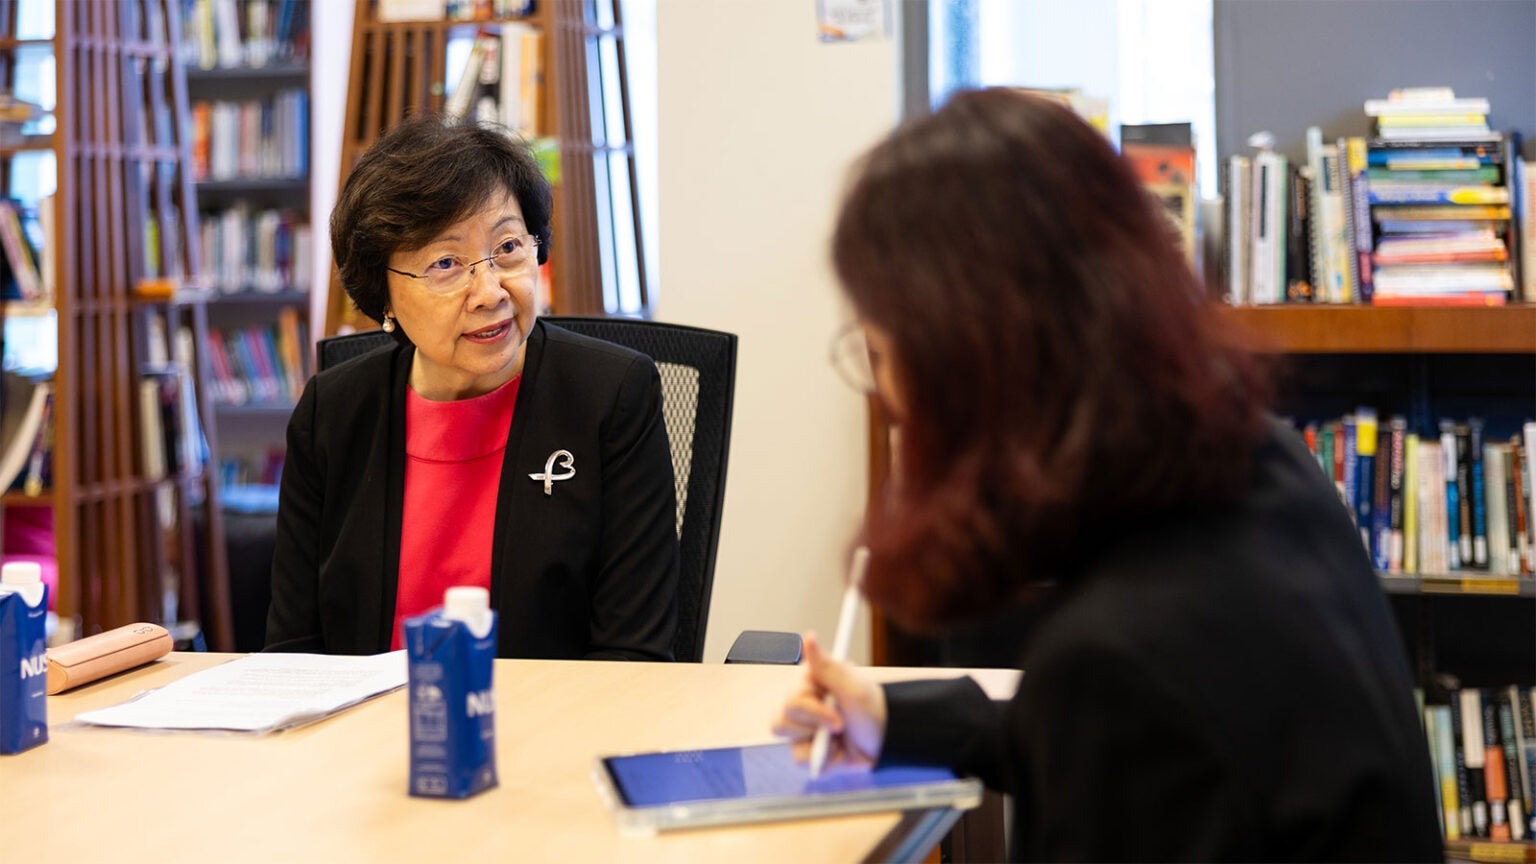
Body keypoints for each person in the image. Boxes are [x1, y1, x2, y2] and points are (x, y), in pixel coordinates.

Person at [773, 89, 1442, 861]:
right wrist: (892, 718)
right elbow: (1108, 735)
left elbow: (1120, 720)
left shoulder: (1119, 660)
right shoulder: (1261, 467)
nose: (886, 398)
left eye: (881, 355)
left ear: (964, 369)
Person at [266, 115, 679, 660]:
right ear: (383, 297)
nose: (489, 291)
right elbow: (293, 654)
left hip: (552, 733)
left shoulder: (611, 397)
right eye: (445, 263)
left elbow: (635, 655)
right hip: (364, 739)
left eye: (508, 247)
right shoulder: (332, 414)